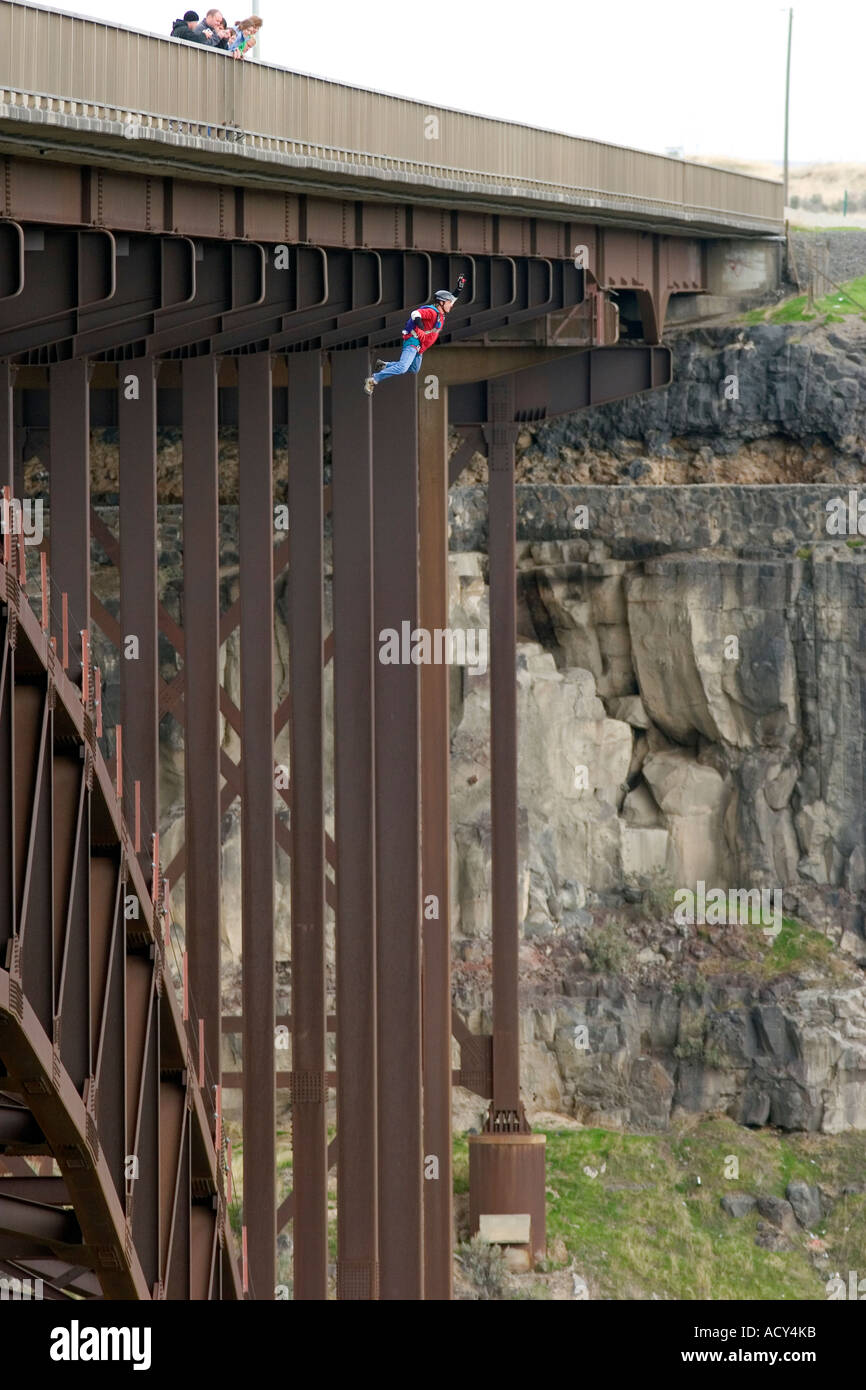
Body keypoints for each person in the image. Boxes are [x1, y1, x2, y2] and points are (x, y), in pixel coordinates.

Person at [364, 276, 466, 394]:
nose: (451, 305)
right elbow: (415, 313)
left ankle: (385, 365)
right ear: (441, 303)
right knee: (402, 368)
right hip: (413, 341)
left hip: (420, 346)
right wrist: (421, 328)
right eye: (448, 303)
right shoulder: (432, 312)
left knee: (414, 369)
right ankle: (373, 379)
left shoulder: (441, 313)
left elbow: (452, 299)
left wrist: (459, 289)